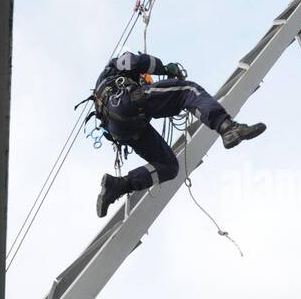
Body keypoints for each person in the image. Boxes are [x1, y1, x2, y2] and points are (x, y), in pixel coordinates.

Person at [88, 52, 266, 218]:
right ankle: (227, 128)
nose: (147, 84)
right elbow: (136, 61)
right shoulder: (114, 67)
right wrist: (165, 69)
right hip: (125, 103)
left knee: (169, 166)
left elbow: (159, 100)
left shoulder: (102, 91)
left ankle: (119, 186)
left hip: (122, 129)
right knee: (188, 91)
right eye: (146, 81)